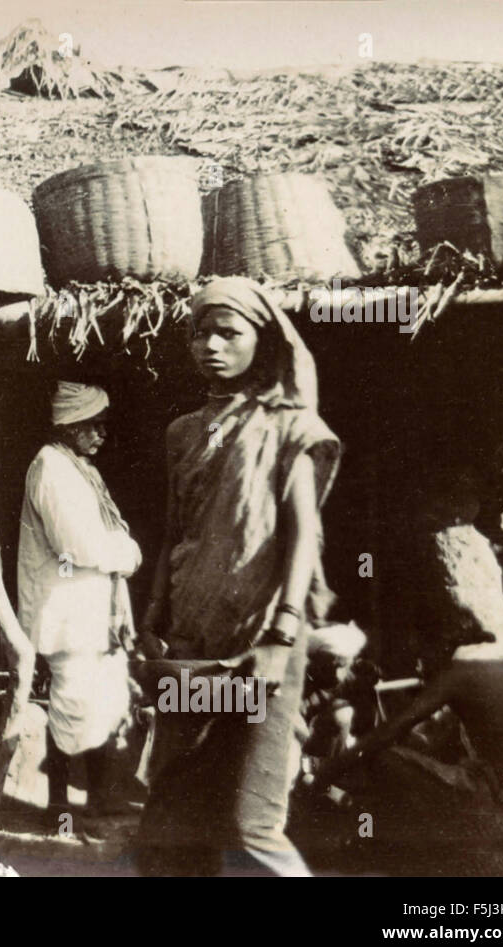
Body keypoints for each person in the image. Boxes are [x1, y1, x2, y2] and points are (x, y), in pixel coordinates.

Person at [136, 277, 340, 877]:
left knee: (252, 824)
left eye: (229, 332)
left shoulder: (287, 426)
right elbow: (177, 533)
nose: (212, 345)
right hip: (192, 647)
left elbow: (302, 534)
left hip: (263, 646)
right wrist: (153, 618)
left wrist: (281, 635)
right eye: (201, 332)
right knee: (171, 819)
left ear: (264, 340)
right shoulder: (183, 432)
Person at [311, 523, 503, 875]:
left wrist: (324, 775)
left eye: (423, 649)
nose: (419, 661)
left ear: (440, 636)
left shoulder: (462, 671)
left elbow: (383, 738)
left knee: (384, 759)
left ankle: (375, 850)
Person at [18, 381, 141, 826]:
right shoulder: (50, 468)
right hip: (67, 612)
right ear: (69, 427)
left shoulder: (78, 468)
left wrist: (118, 549)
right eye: (93, 426)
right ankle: (59, 807)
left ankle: (101, 799)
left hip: (92, 611)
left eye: (103, 426)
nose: (102, 434)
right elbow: (77, 546)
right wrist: (129, 553)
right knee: (71, 704)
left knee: (105, 701)